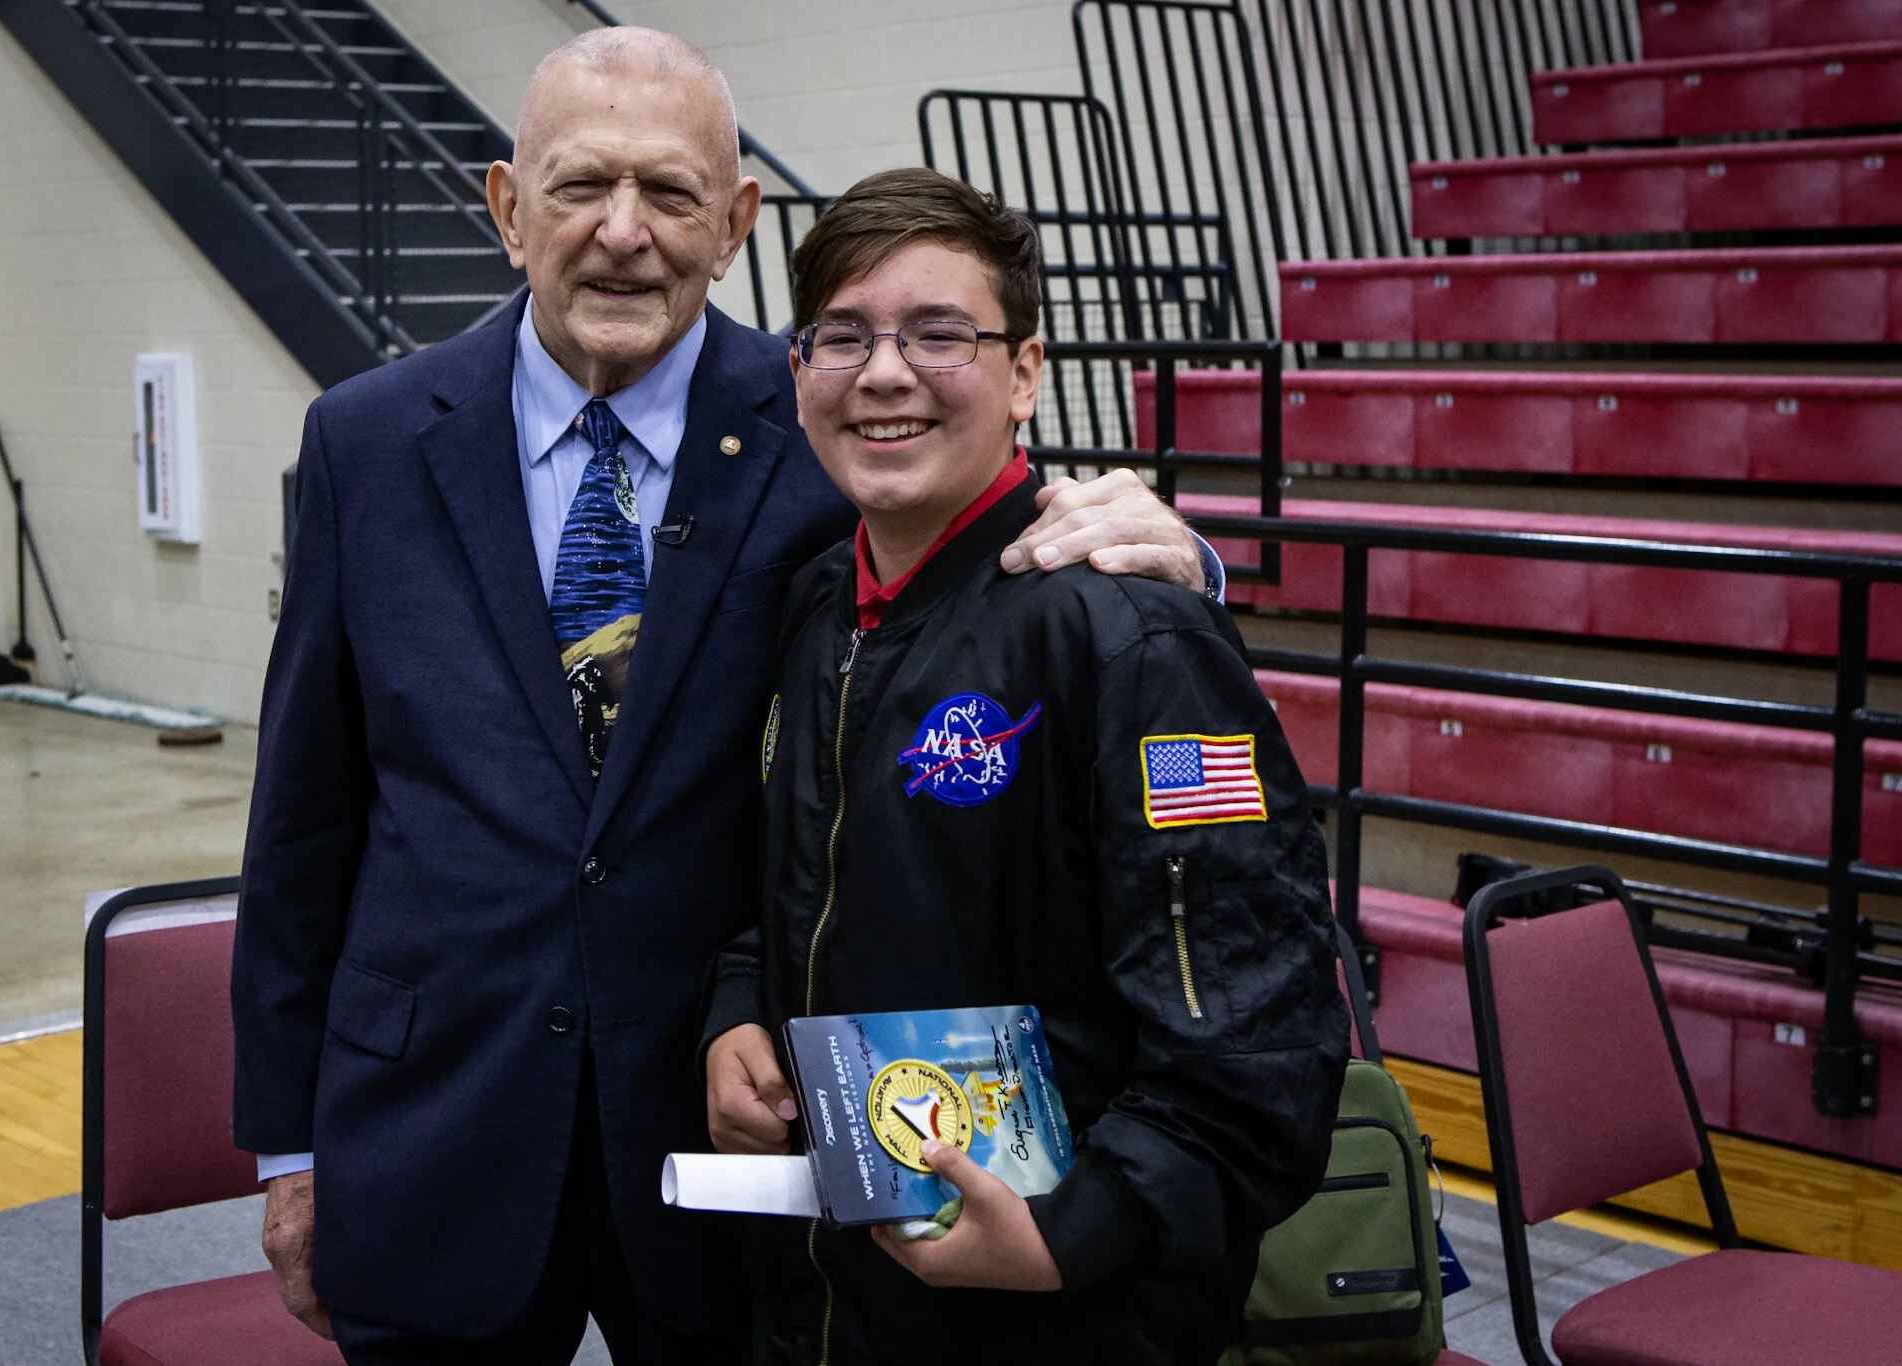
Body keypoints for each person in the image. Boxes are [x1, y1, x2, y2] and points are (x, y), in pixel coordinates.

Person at [231, 27, 1231, 1366]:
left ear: (738, 221)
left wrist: (1183, 562)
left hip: (735, 1143)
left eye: (672, 192)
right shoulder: (365, 439)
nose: (624, 233)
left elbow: (1010, 561)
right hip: (429, 1122)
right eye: (582, 186)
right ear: (507, 206)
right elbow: (304, 815)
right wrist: (290, 1148)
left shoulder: (833, 415)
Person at [700, 168, 1348, 1365]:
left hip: (1064, 1309)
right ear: (798, 376)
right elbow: (787, 878)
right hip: (835, 1296)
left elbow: (1260, 1040)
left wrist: (1074, 1229)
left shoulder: (1132, 635)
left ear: (1026, 372)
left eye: (938, 332)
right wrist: (742, 1005)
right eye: (841, 336)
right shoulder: (814, 606)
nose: (884, 372)